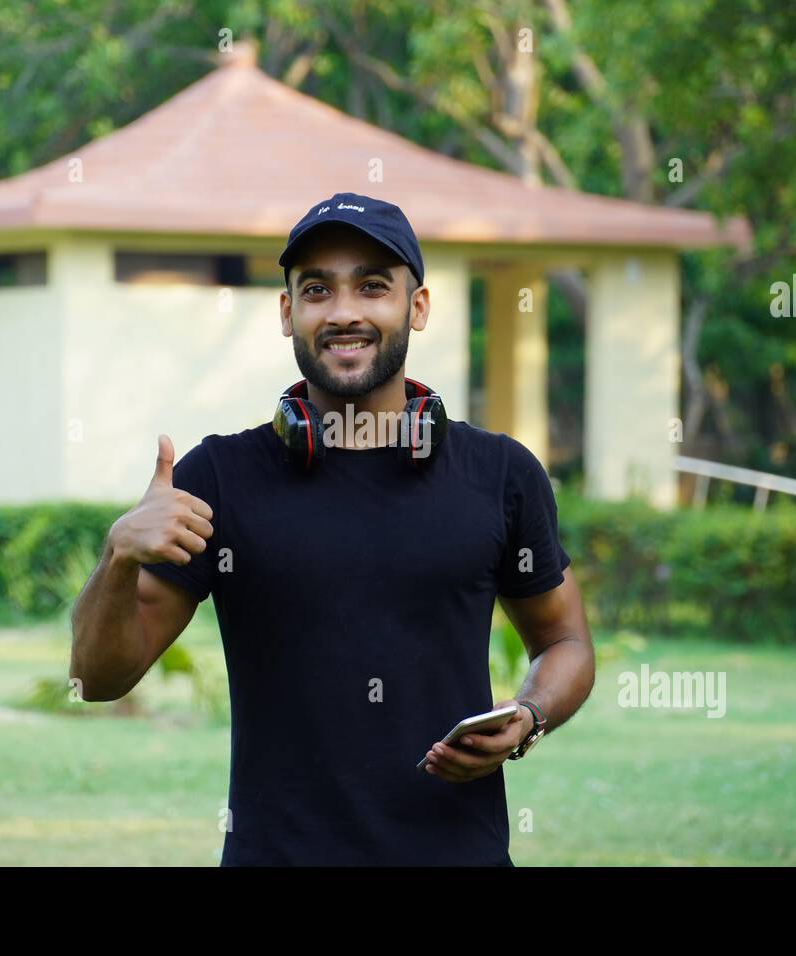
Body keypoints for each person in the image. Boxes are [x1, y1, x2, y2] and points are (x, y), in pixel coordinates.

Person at [70, 192, 595, 866]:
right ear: (288, 313)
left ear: (419, 307)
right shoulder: (218, 478)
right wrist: (117, 556)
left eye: (373, 287)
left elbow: (566, 641)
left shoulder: (501, 475)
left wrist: (528, 716)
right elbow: (96, 679)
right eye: (317, 290)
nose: (344, 311)